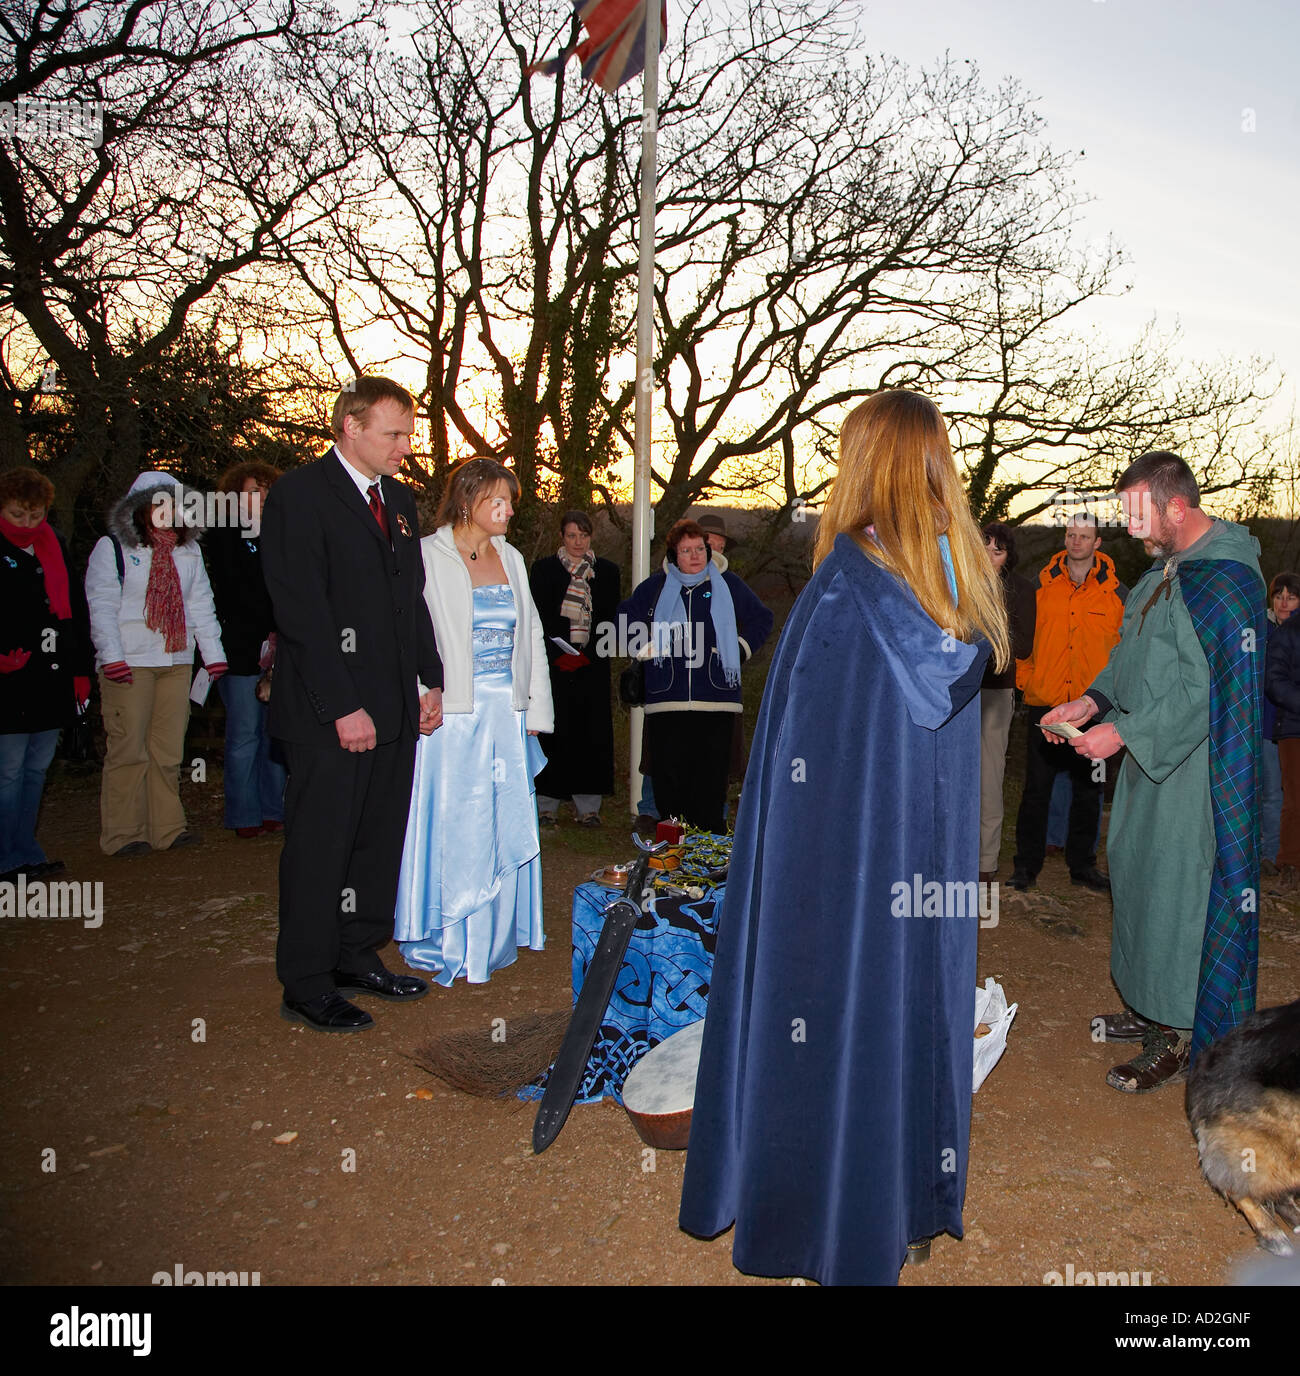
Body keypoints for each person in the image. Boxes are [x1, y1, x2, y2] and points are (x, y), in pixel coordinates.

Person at [679, 390, 1009, 1286]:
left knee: (829, 1010)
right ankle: (901, 1206)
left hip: (839, 868)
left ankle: (818, 1208)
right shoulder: (956, 574)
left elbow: (801, 763)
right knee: (910, 1004)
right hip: (926, 865)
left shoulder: (844, 583)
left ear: (865, 462)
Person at [1043, 452, 1264, 1091]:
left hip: (1195, 772)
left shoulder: (1225, 580)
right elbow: (1126, 660)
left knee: (1178, 895)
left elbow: (1208, 692)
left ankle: (1181, 1033)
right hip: (1147, 761)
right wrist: (1090, 702)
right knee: (1139, 881)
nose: (1130, 529)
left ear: (1176, 507)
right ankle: (1152, 1008)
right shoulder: (1164, 573)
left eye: (1139, 515)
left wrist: (1124, 733)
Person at [260, 377, 444, 1033]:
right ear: (350, 426)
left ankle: (355, 954)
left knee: (374, 841)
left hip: (394, 707)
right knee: (321, 845)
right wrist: (342, 706)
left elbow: (410, 597)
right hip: (328, 714)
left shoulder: (399, 500)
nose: (405, 446)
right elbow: (301, 613)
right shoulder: (298, 496)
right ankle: (307, 981)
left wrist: (430, 677)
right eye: (394, 433)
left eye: (408, 433)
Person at [394, 457, 552, 984]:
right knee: (457, 822)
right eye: (497, 499)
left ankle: (497, 933)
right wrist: (421, 693)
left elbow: (530, 635)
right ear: (467, 501)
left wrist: (534, 709)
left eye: (511, 499)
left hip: (505, 715)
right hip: (451, 717)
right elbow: (409, 634)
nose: (508, 509)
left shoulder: (512, 558)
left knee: (502, 817)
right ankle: (446, 935)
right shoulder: (425, 555)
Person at [85, 472, 227, 856]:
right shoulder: (111, 548)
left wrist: (213, 655)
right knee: (128, 749)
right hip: (129, 662)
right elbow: (102, 606)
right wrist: (111, 657)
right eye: (158, 503)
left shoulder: (189, 551)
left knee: (167, 751)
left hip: (176, 659)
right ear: (140, 507)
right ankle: (123, 834)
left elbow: (200, 603)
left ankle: (167, 827)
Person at [618, 519, 772, 835]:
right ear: (674, 555)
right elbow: (623, 619)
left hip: (717, 704)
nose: (695, 555)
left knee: (710, 791)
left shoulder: (728, 584)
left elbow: (762, 618)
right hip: (666, 703)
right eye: (686, 550)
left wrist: (738, 649)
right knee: (670, 792)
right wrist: (644, 647)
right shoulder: (656, 587)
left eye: (699, 548)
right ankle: (672, 869)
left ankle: (706, 868)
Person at [1008, 513, 1126, 893]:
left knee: (1089, 790)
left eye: (1084, 536)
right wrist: (1028, 684)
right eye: (1071, 534)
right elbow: (1024, 643)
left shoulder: (1116, 595)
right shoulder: (1041, 590)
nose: (1076, 541)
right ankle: (1025, 867)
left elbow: (1126, 651)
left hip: (1093, 710)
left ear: (1097, 544)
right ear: (1065, 539)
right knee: (1036, 790)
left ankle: (1083, 867)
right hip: (1047, 707)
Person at [0, 468, 93, 882]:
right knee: (9, 771)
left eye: (35, 515)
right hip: (9, 681)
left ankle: (26, 849)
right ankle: (5, 854)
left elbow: (74, 606)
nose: (27, 524)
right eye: (19, 515)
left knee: (37, 769)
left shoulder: (51, 542)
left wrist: (80, 670)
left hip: (52, 675)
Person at [205, 462, 286, 839]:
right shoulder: (223, 534)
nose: (262, 499)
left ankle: (274, 809)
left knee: (276, 733)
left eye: (267, 492)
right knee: (244, 734)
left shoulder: (286, 532)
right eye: (254, 491)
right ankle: (243, 814)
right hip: (240, 649)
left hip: (283, 646)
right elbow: (236, 589)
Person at [529, 510, 618, 827]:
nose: (578, 541)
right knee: (553, 733)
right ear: (562, 537)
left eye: (583, 535)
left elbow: (610, 620)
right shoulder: (544, 570)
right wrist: (559, 654)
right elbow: (538, 616)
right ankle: (546, 806)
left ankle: (588, 808)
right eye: (571, 535)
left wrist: (588, 655)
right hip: (554, 665)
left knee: (590, 736)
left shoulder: (607, 572)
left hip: (592, 667)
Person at [978, 522, 1036, 880]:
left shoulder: (1021, 589)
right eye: (983, 548)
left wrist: (979, 650)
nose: (988, 556)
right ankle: (949, 856)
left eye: (996, 551)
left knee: (988, 779)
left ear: (1008, 557)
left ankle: (985, 864)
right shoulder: (957, 584)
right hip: (952, 695)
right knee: (951, 778)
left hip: (995, 692)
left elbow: (1025, 646)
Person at [1261, 572, 1299, 878]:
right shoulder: (1260, 630)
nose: (1284, 602)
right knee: (1273, 794)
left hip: (1289, 724)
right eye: (1279, 596)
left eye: (1292, 596)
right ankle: (1271, 855)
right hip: (1266, 726)